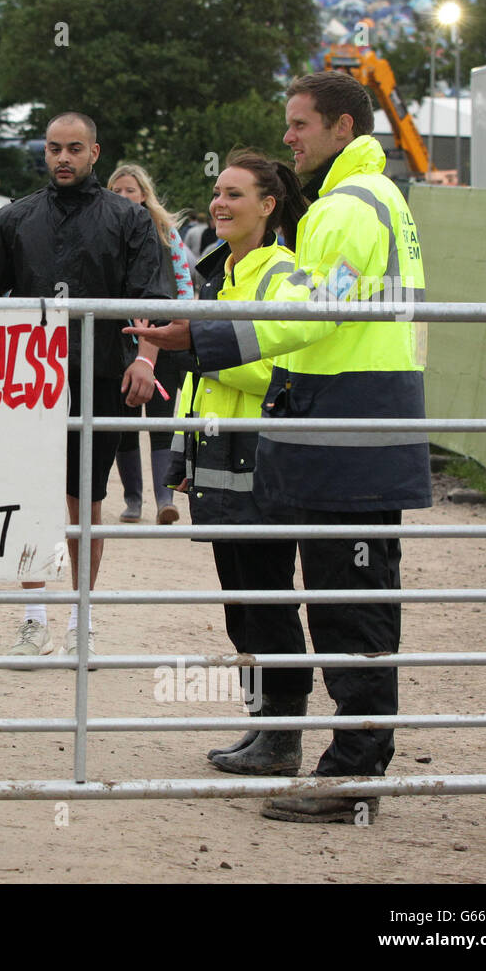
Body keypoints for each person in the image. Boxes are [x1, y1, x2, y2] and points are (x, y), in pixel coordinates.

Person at [132, 71, 428, 823]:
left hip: (346, 430)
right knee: (343, 605)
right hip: (350, 425)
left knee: (349, 610)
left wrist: (203, 338)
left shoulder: (350, 205)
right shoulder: (367, 200)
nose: (289, 138)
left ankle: (350, 772)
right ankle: (340, 762)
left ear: (340, 126)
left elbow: (312, 314)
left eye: (299, 125)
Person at [0, 112, 172, 660]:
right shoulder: (15, 218)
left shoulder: (129, 218)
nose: (63, 158)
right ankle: (34, 620)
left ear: (95, 153)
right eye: (54, 148)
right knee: (31, 500)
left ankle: (82, 619)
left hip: (103, 376)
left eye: (74, 148)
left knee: (88, 504)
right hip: (27, 383)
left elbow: (153, 301)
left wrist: (146, 361)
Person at [167, 150, 309, 777]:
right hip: (214, 457)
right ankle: (261, 726)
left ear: (268, 206)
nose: (219, 204)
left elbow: (282, 369)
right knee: (240, 601)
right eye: (217, 193)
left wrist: (206, 349)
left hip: (262, 462)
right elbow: (194, 377)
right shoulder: (215, 274)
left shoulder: (287, 275)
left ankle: (284, 735)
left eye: (234, 194)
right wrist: (179, 449)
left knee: (270, 598)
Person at [107, 163, 194, 526]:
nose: (125, 197)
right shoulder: (106, 232)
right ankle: (132, 500)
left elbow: (183, 279)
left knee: (162, 419)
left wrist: (185, 320)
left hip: (163, 332)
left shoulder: (166, 233)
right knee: (125, 424)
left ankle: (164, 500)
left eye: (131, 190)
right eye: (118, 191)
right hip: (121, 338)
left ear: (144, 194)